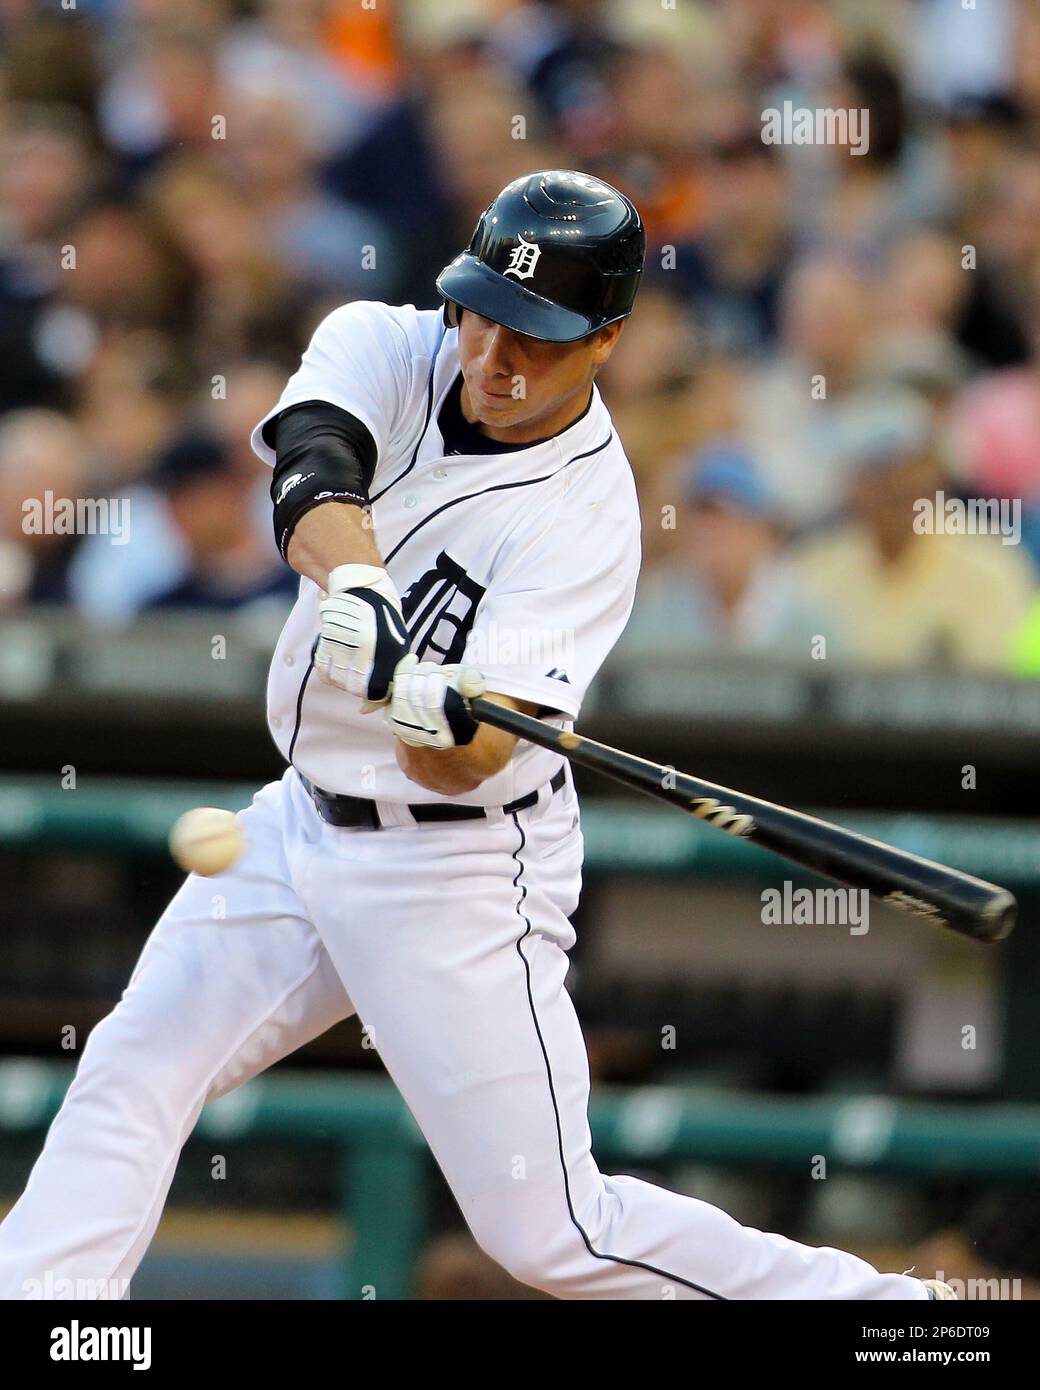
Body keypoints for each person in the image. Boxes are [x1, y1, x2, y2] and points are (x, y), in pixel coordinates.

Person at [0, 171, 949, 1301]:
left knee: (553, 1231)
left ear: (604, 341)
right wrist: (361, 589)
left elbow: (467, 763)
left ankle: (898, 1319)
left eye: (534, 338)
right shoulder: (385, 341)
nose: (494, 358)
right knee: (133, 1067)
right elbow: (310, 468)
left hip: (452, 867)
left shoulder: (588, 517)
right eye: (483, 314)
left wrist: (425, 713)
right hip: (298, 823)